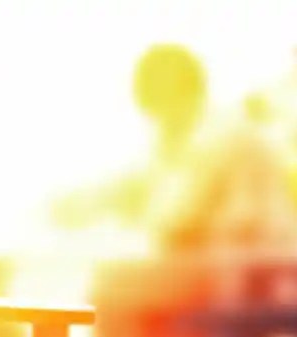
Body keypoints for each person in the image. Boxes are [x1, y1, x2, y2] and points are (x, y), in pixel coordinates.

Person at [53, 43, 209, 232]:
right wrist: (93, 201)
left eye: (166, 99)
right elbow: (133, 185)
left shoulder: (218, 146)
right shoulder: (162, 149)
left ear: (194, 96)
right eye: (153, 105)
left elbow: (174, 218)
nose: (161, 118)